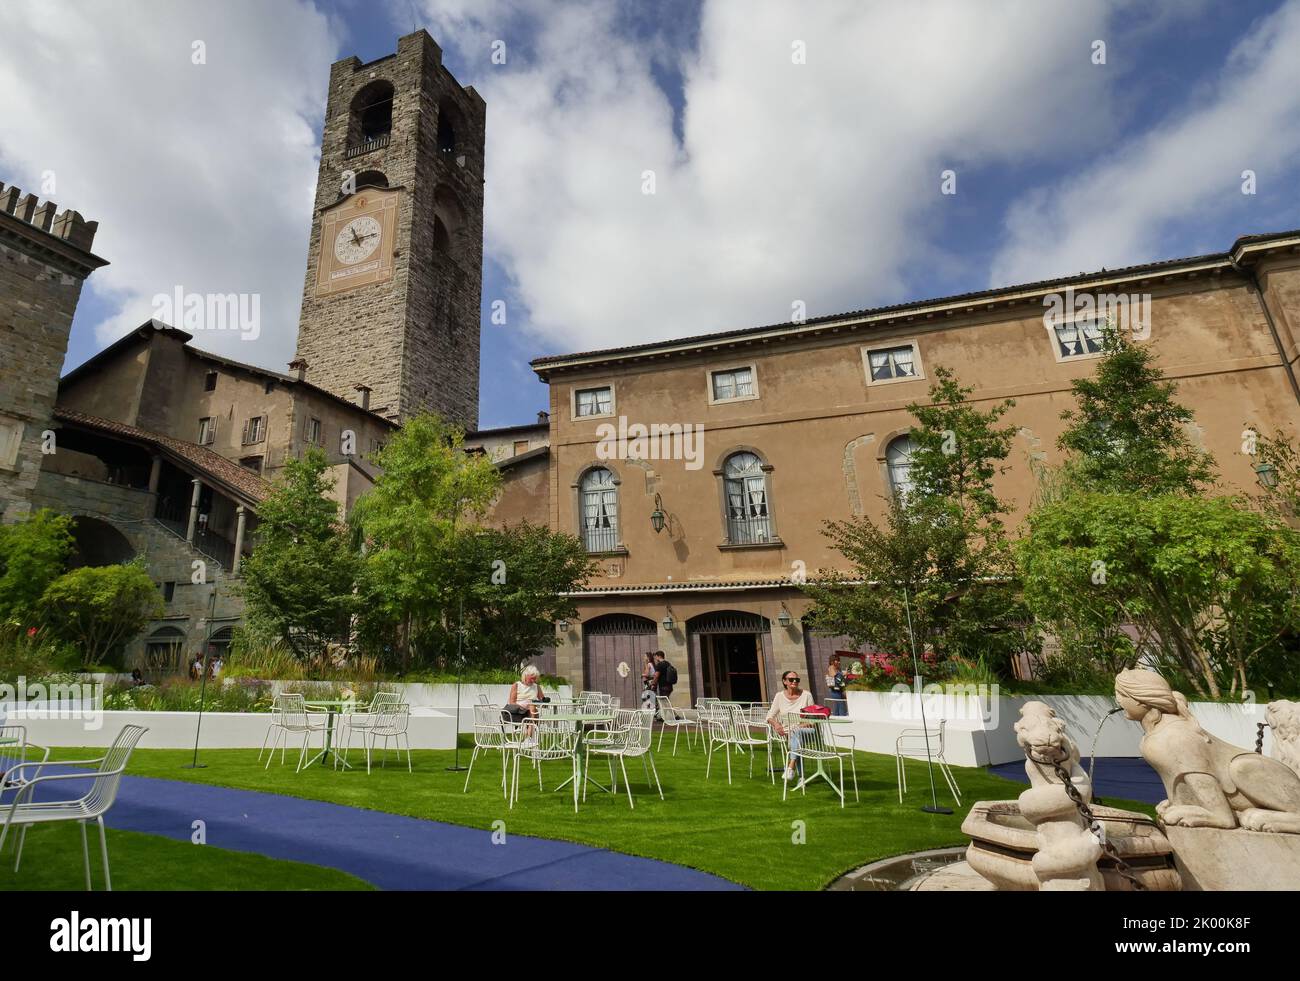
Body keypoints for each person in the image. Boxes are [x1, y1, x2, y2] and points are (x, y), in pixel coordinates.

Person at [767, 670, 814, 782]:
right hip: (787, 732)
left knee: (795, 733)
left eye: (796, 680)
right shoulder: (779, 696)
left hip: (806, 731)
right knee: (796, 740)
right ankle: (801, 777)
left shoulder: (807, 695)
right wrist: (776, 724)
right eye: (791, 679)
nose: (794, 681)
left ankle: (790, 766)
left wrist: (800, 726)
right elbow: (769, 716)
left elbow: (813, 719)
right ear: (784, 681)